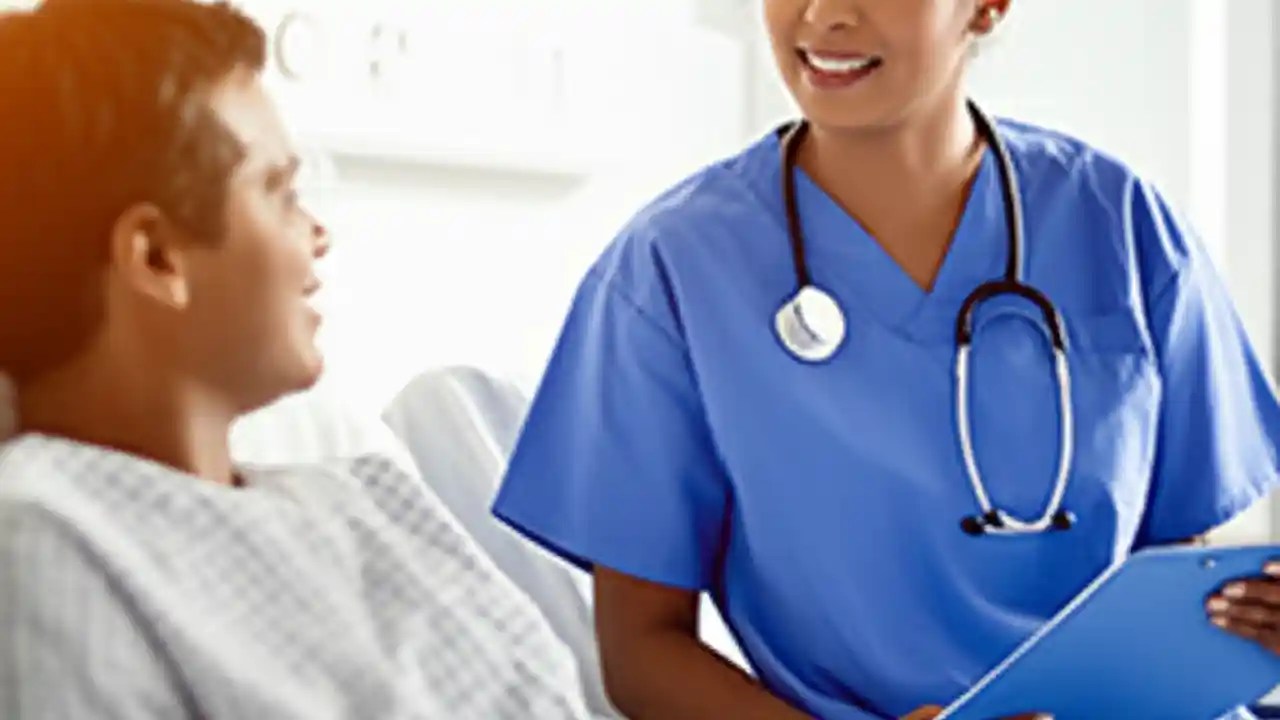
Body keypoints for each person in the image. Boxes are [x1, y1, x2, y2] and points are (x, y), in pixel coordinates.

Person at [491, 0, 1280, 718]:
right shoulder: (673, 268)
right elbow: (641, 653)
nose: (824, 15)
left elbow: (1180, 579)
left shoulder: (1120, 224)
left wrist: (1252, 624)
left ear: (988, 6)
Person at [0, 2, 591, 718]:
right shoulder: (45, 543)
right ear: (156, 258)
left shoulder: (370, 497)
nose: (318, 234)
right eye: (278, 192)